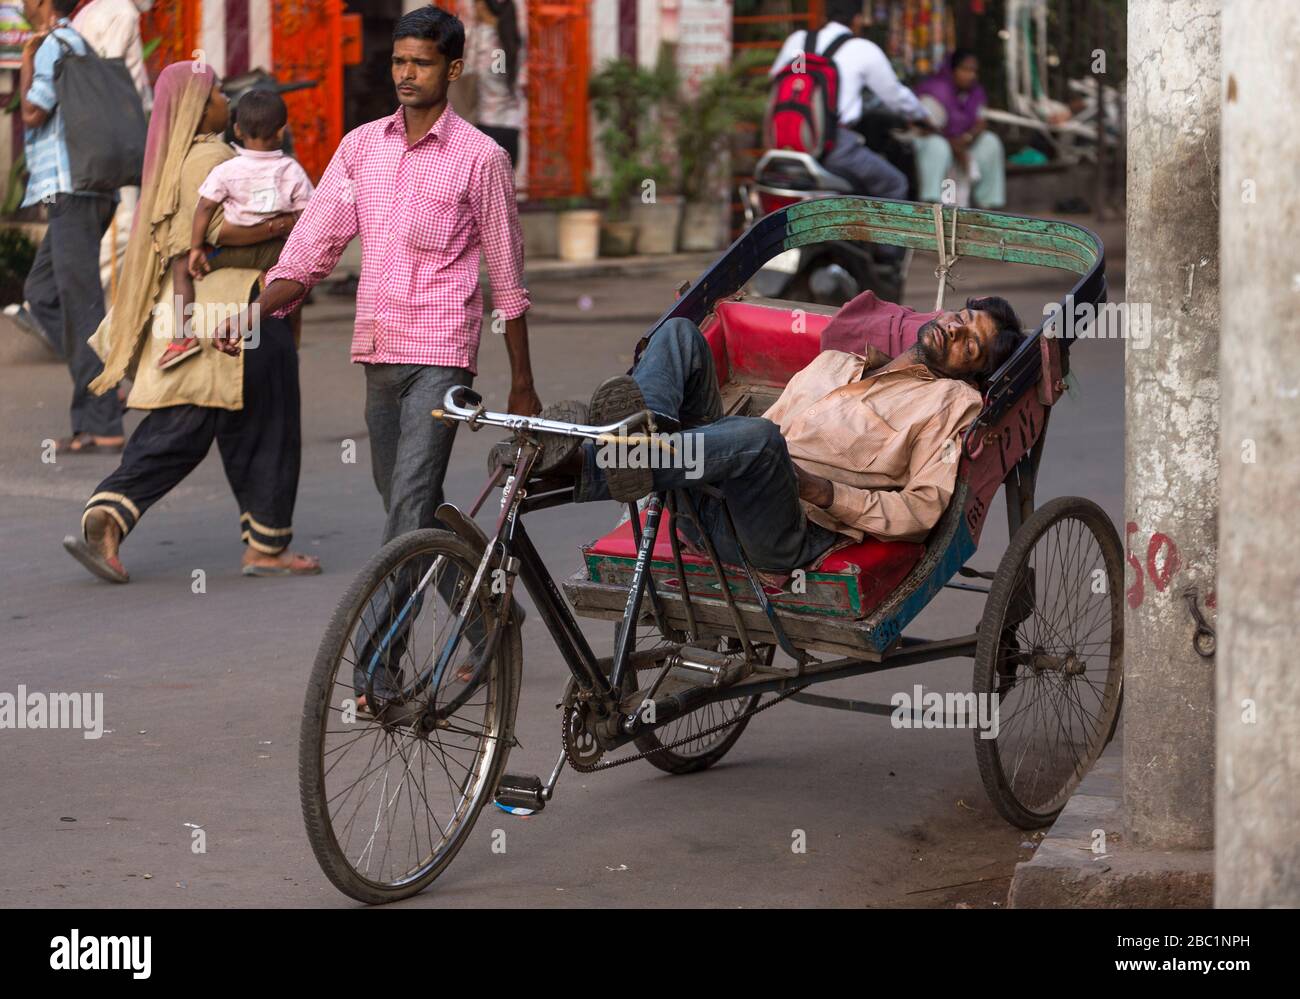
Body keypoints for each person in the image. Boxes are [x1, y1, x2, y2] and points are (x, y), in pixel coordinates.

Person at [214, 5, 541, 552]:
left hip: (441, 357)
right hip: (379, 352)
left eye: (422, 63)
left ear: (453, 69)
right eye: (399, 62)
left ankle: (374, 640)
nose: (407, 74)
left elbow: (507, 281)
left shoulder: (481, 158)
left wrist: (522, 384)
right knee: (404, 502)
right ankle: (487, 620)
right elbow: (309, 253)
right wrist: (255, 308)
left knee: (407, 510)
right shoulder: (361, 148)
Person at [61, 60, 320, 583]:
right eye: (219, 93)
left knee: (188, 420)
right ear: (201, 110)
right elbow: (221, 231)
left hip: (195, 309)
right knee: (265, 419)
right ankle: (265, 546)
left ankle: (109, 513)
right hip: (240, 303)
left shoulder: (180, 159)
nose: (228, 100)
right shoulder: (215, 157)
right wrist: (289, 222)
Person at [560, 297, 1023, 573]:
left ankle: (589, 460)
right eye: (961, 317)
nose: (955, 329)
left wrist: (821, 490)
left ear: (976, 372)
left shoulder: (954, 402)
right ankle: (640, 439)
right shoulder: (839, 363)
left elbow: (920, 512)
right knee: (681, 334)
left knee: (761, 440)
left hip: (782, 532)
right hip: (709, 501)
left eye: (971, 344)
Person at [19, 0, 123, 454]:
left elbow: (32, 113)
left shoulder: (49, 47)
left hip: (71, 191)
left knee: (82, 308)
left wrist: (26, 63)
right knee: (42, 292)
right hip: (88, 190)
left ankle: (102, 423)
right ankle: (106, 382)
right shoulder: (80, 42)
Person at [157, 88, 313, 370]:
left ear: (237, 130)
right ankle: (281, 304)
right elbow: (307, 218)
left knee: (181, 268)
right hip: (274, 252)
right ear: (281, 131)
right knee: (287, 279)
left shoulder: (227, 167)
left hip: (230, 251)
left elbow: (204, 208)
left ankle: (182, 336)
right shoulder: (292, 170)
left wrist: (195, 249)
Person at [769, 0, 930, 201]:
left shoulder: (798, 40)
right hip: (834, 145)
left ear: (825, 16)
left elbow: (775, 78)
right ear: (858, 19)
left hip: (785, 140)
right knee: (895, 184)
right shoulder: (862, 48)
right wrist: (923, 116)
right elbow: (896, 97)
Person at [72, 0, 154, 305]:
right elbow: (109, 79)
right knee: (122, 228)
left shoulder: (97, 9)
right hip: (116, 138)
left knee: (116, 226)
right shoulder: (120, 12)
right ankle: (80, 305)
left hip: (105, 136)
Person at [914, 49, 1006, 209]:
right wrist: (953, 146)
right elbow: (925, 126)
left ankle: (988, 206)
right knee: (938, 146)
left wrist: (967, 138)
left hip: (962, 142)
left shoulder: (975, 92)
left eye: (974, 71)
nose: (971, 75)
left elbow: (981, 121)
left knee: (990, 141)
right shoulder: (936, 91)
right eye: (965, 69)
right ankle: (931, 204)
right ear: (952, 69)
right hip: (932, 141)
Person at [465, 0, 525, 167]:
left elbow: (475, 72)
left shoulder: (485, 38)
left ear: (482, 6)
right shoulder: (513, 37)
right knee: (503, 190)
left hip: (487, 124)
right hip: (511, 127)